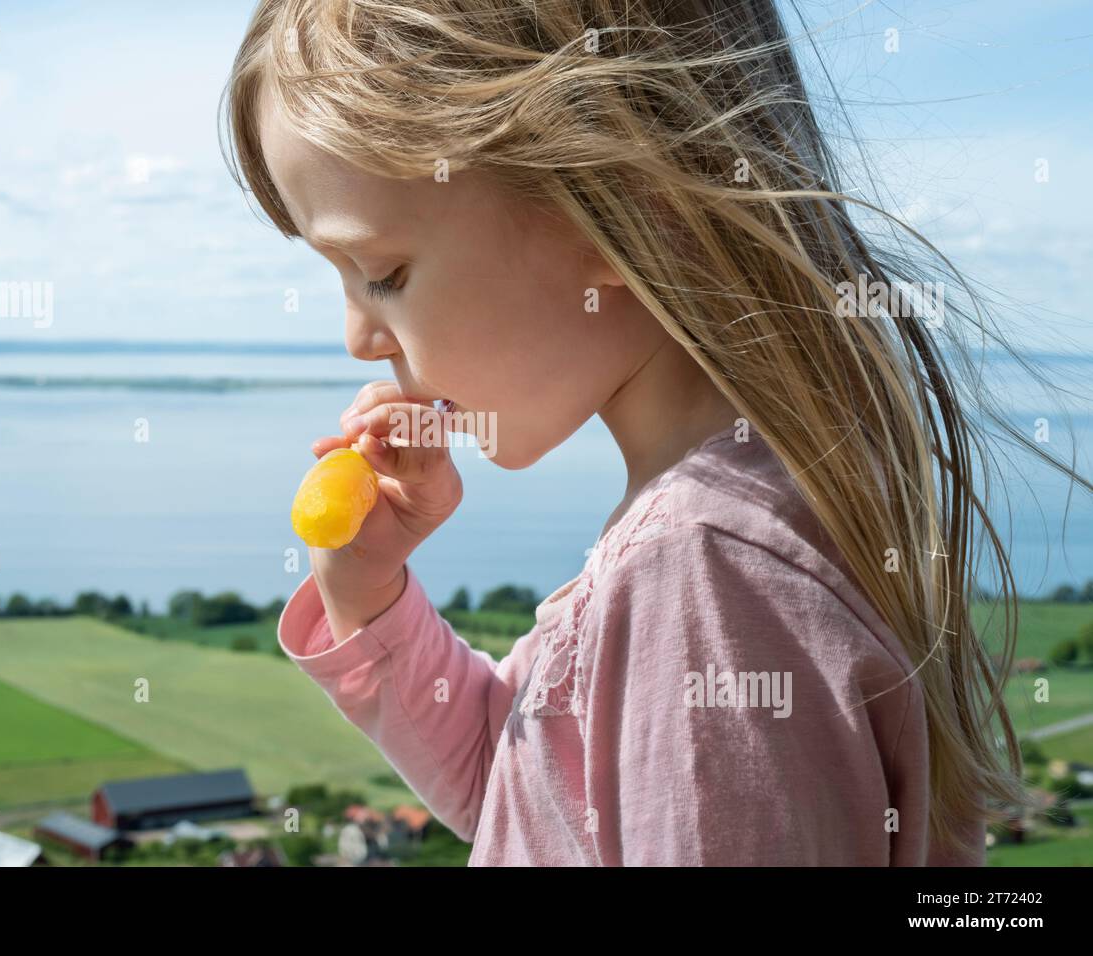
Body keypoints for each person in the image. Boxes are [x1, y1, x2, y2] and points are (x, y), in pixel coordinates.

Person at [221, 0, 1089, 864]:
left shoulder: (703, 576)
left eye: (385, 273)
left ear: (629, 205)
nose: (358, 338)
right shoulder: (733, 528)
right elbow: (519, 787)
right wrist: (365, 591)